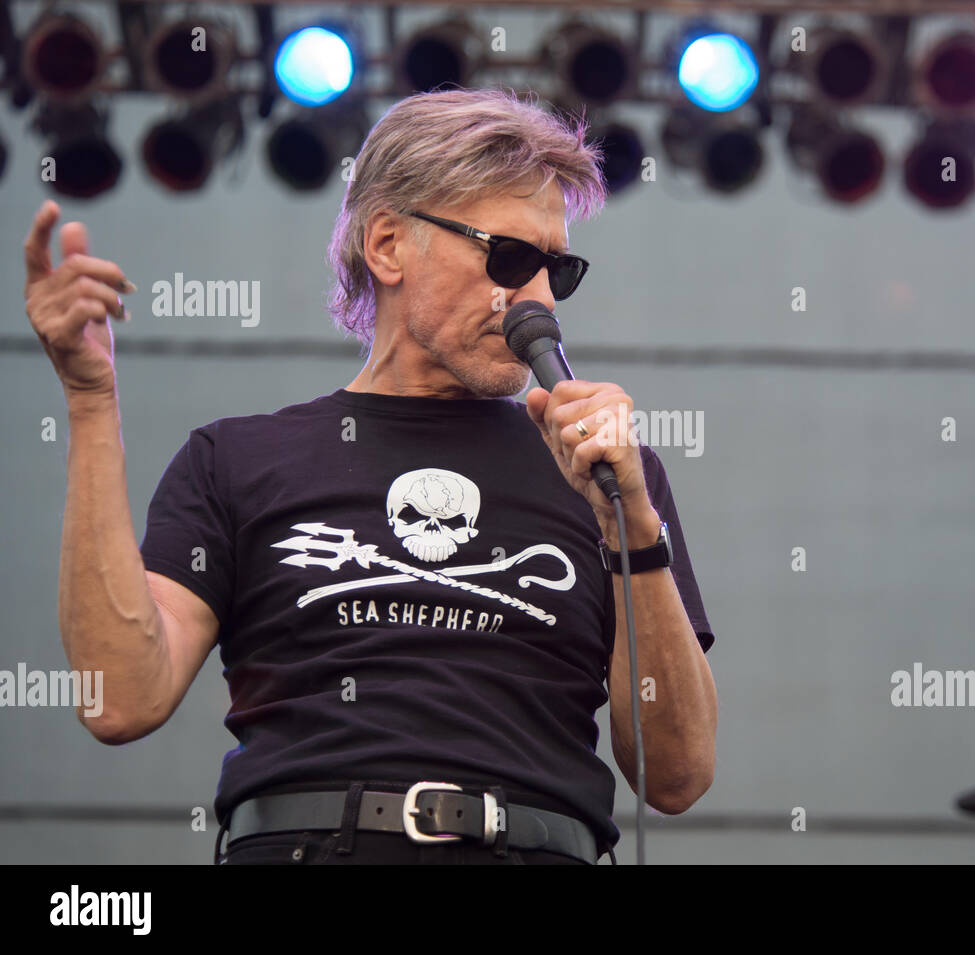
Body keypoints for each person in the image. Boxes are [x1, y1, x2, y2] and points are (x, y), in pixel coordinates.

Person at [24, 87, 717, 865]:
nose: (539, 297)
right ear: (387, 244)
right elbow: (120, 696)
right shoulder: (238, 459)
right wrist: (89, 403)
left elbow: (679, 773)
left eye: (559, 269)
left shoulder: (607, 475)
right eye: (511, 258)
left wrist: (634, 528)